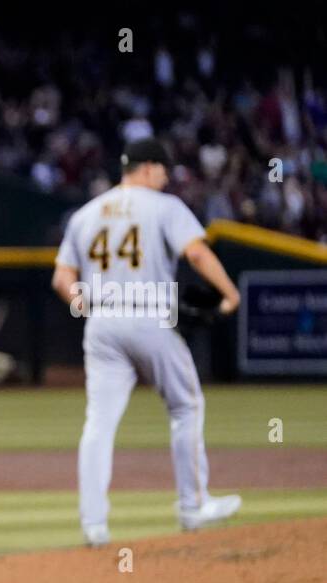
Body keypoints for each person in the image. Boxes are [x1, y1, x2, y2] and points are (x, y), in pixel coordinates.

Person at [51, 138, 243, 547]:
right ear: (149, 167)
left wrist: (85, 304)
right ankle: (192, 506)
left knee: (99, 423)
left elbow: (61, 278)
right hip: (150, 315)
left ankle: (94, 525)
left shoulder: (86, 213)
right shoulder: (165, 207)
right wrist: (230, 293)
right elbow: (197, 255)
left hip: (101, 323)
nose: (167, 177)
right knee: (186, 405)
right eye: (164, 169)